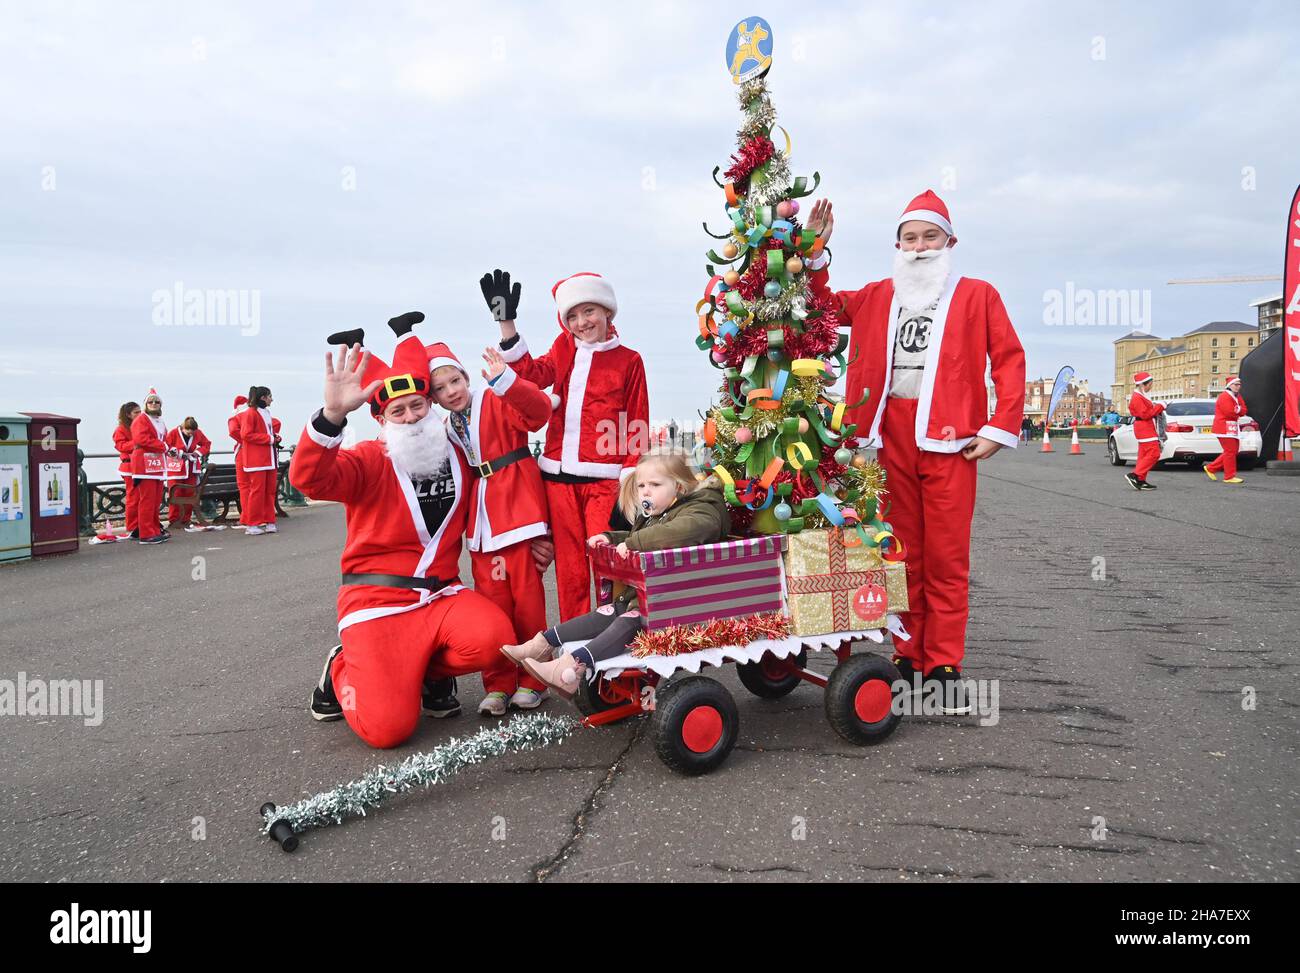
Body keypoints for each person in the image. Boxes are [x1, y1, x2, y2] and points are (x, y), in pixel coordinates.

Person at [803, 189, 1025, 715]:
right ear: (897, 244)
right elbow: (818, 310)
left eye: (930, 236)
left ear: (949, 242)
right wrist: (813, 252)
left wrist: (999, 425)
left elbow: (1010, 359)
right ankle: (907, 654)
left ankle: (943, 661)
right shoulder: (878, 295)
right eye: (910, 237)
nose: (920, 246)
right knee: (903, 552)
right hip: (890, 432)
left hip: (951, 438)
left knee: (947, 556)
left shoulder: (978, 295)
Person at [291, 325, 520, 746]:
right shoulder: (366, 460)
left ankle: (428, 674)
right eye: (399, 412)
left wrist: (532, 539)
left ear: (430, 405)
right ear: (381, 419)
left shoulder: (456, 453)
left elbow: (503, 488)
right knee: (389, 731)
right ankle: (341, 668)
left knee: (495, 641)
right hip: (378, 602)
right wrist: (332, 416)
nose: (412, 417)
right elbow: (309, 479)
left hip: (440, 597)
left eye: (418, 405)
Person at [488, 269, 650, 620]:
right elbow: (531, 374)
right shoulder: (564, 348)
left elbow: (638, 422)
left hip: (604, 480)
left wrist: (630, 476)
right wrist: (507, 324)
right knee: (570, 569)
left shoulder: (630, 360)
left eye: (588, 311)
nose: (581, 322)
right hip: (558, 477)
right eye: (572, 316)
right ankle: (572, 645)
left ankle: (613, 638)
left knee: (607, 564)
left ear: (607, 312)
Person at [502, 452, 730, 697]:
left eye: (655, 485)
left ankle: (571, 669)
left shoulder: (702, 509)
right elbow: (649, 534)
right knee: (607, 612)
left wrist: (635, 542)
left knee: (629, 619)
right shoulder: (662, 511)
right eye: (641, 485)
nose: (645, 492)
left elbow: (680, 532)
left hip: (684, 603)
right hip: (656, 596)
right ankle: (542, 644)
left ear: (679, 487)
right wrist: (612, 537)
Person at [427, 339, 554, 715]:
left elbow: (539, 413)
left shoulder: (497, 398)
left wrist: (507, 380)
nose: (451, 391)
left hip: (518, 511)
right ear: (433, 397)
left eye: (455, 380)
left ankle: (535, 679)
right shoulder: (447, 427)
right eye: (441, 388)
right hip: (482, 523)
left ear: (466, 377)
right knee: (493, 605)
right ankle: (498, 683)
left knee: (528, 604)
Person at [238, 386, 279, 535]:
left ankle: (269, 521)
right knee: (257, 492)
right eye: (269, 396)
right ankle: (252, 524)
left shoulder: (266, 413)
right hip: (257, 461)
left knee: (270, 491)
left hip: (269, 459)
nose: (271, 399)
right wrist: (269, 439)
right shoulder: (250, 413)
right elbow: (246, 434)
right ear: (263, 398)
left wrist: (274, 438)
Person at [165, 417, 211, 530]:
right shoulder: (173, 433)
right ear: (183, 428)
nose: (190, 434)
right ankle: (174, 519)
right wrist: (179, 453)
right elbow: (166, 446)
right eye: (188, 432)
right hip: (175, 468)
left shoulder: (198, 433)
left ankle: (186, 519)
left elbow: (206, 444)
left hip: (191, 467)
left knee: (190, 493)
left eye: (192, 432)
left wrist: (196, 453)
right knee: (175, 493)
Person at [1204, 375, 1249, 485]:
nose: (1238, 387)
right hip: (1223, 427)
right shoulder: (1224, 396)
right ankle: (1229, 476)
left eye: (1239, 384)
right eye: (1236, 384)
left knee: (1232, 451)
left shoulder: (1237, 396)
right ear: (1230, 385)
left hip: (1232, 427)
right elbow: (1229, 412)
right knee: (1230, 451)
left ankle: (1211, 468)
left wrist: (1238, 410)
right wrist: (1238, 411)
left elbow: (1244, 410)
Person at [1125, 372, 1164, 491]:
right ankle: (1136, 475)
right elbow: (1146, 414)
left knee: (1143, 455)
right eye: (1149, 385)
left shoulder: (1139, 396)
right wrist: (1161, 406)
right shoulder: (1138, 397)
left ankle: (1141, 480)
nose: (1150, 387)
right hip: (1145, 428)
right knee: (1154, 453)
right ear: (1143, 385)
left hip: (1144, 427)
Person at [112, 402, 141, 538]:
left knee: (142, 497)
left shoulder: (141, 426)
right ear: (128, 415)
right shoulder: (121, 429)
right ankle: (132, 526)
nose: (139, 414)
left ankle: (141, 524)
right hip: (129, 466)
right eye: (136, 412)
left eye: (140, 411)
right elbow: (121, 446)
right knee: (133, 497)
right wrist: (138, 443)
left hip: (141, 465)